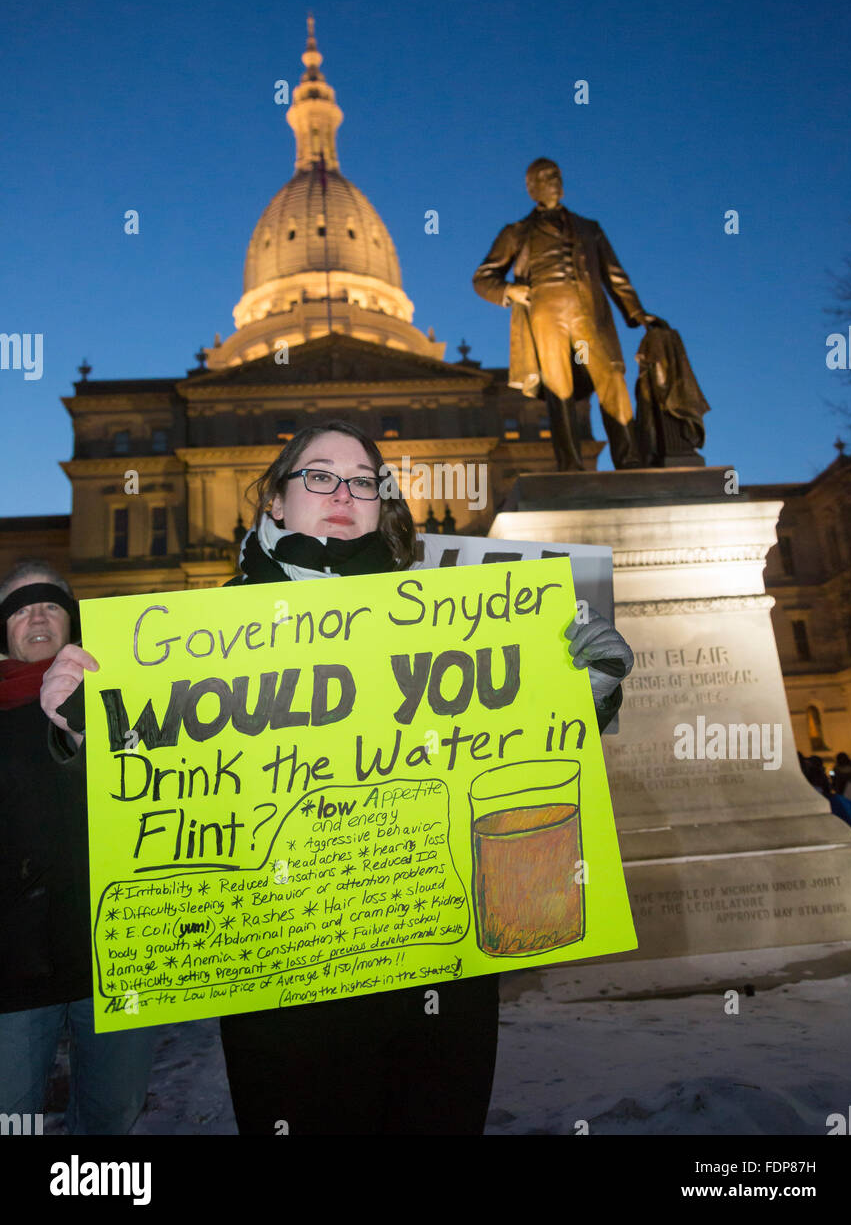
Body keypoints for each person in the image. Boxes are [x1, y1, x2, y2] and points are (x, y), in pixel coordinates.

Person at [42, 420, 635, 1135]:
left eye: (364, 481)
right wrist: (81, 726)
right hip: (283, 980)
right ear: (274, 503)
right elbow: (136, 792)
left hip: (433, 969)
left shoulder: (456, 613)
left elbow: (516, 751)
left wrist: (588, 691)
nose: (343, 492)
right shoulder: (184, 637)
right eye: (319, 475)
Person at [0, 560, 157, 1134]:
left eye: (50, 604)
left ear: (73, 621)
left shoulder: (130, 696)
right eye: (20, 607)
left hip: (114, 955)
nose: (37, 616)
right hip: (13, 970)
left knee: (111, 1114)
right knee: (9, 1117)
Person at [473, 157, 662, 471]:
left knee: (612, 376)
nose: (555, 180)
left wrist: (638, 313)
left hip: (587, 312)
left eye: (557, 175)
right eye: (547, 176)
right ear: (532, 188)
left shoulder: (590, 229)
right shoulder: (516, 232)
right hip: (545, 315)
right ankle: (570, 466)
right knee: (558, 387)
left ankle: (630, 459)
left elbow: (615, 276)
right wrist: (510, 291)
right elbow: (482, 279)